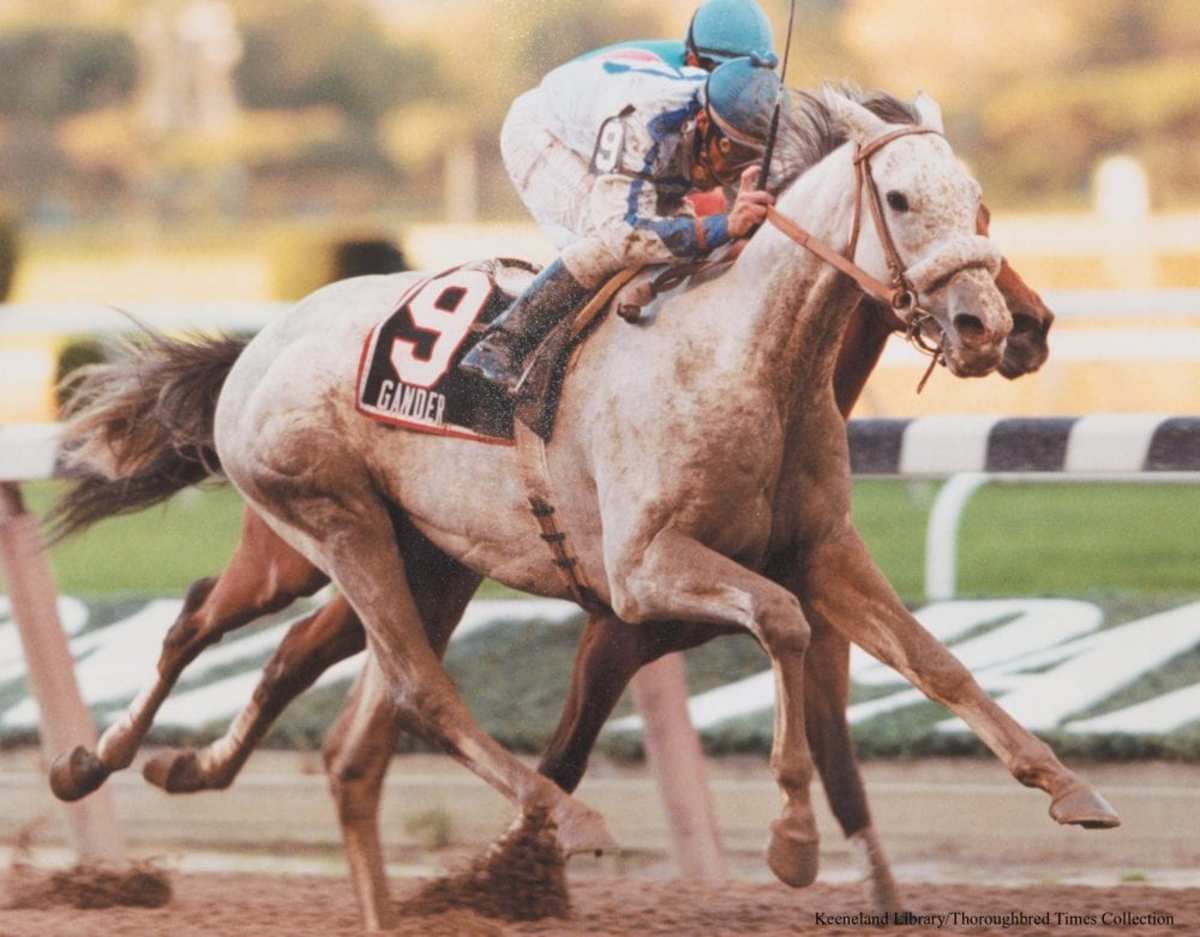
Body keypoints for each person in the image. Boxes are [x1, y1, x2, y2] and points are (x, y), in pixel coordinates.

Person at [460, 4, 781, 395]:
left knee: (678, 246)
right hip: (547, 133)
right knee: (610, 246)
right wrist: (723, 225)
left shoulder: (743, 99)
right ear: (697, 65)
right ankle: (504, 343)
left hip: (625, 133)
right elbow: (622, 234)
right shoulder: (648, 112)